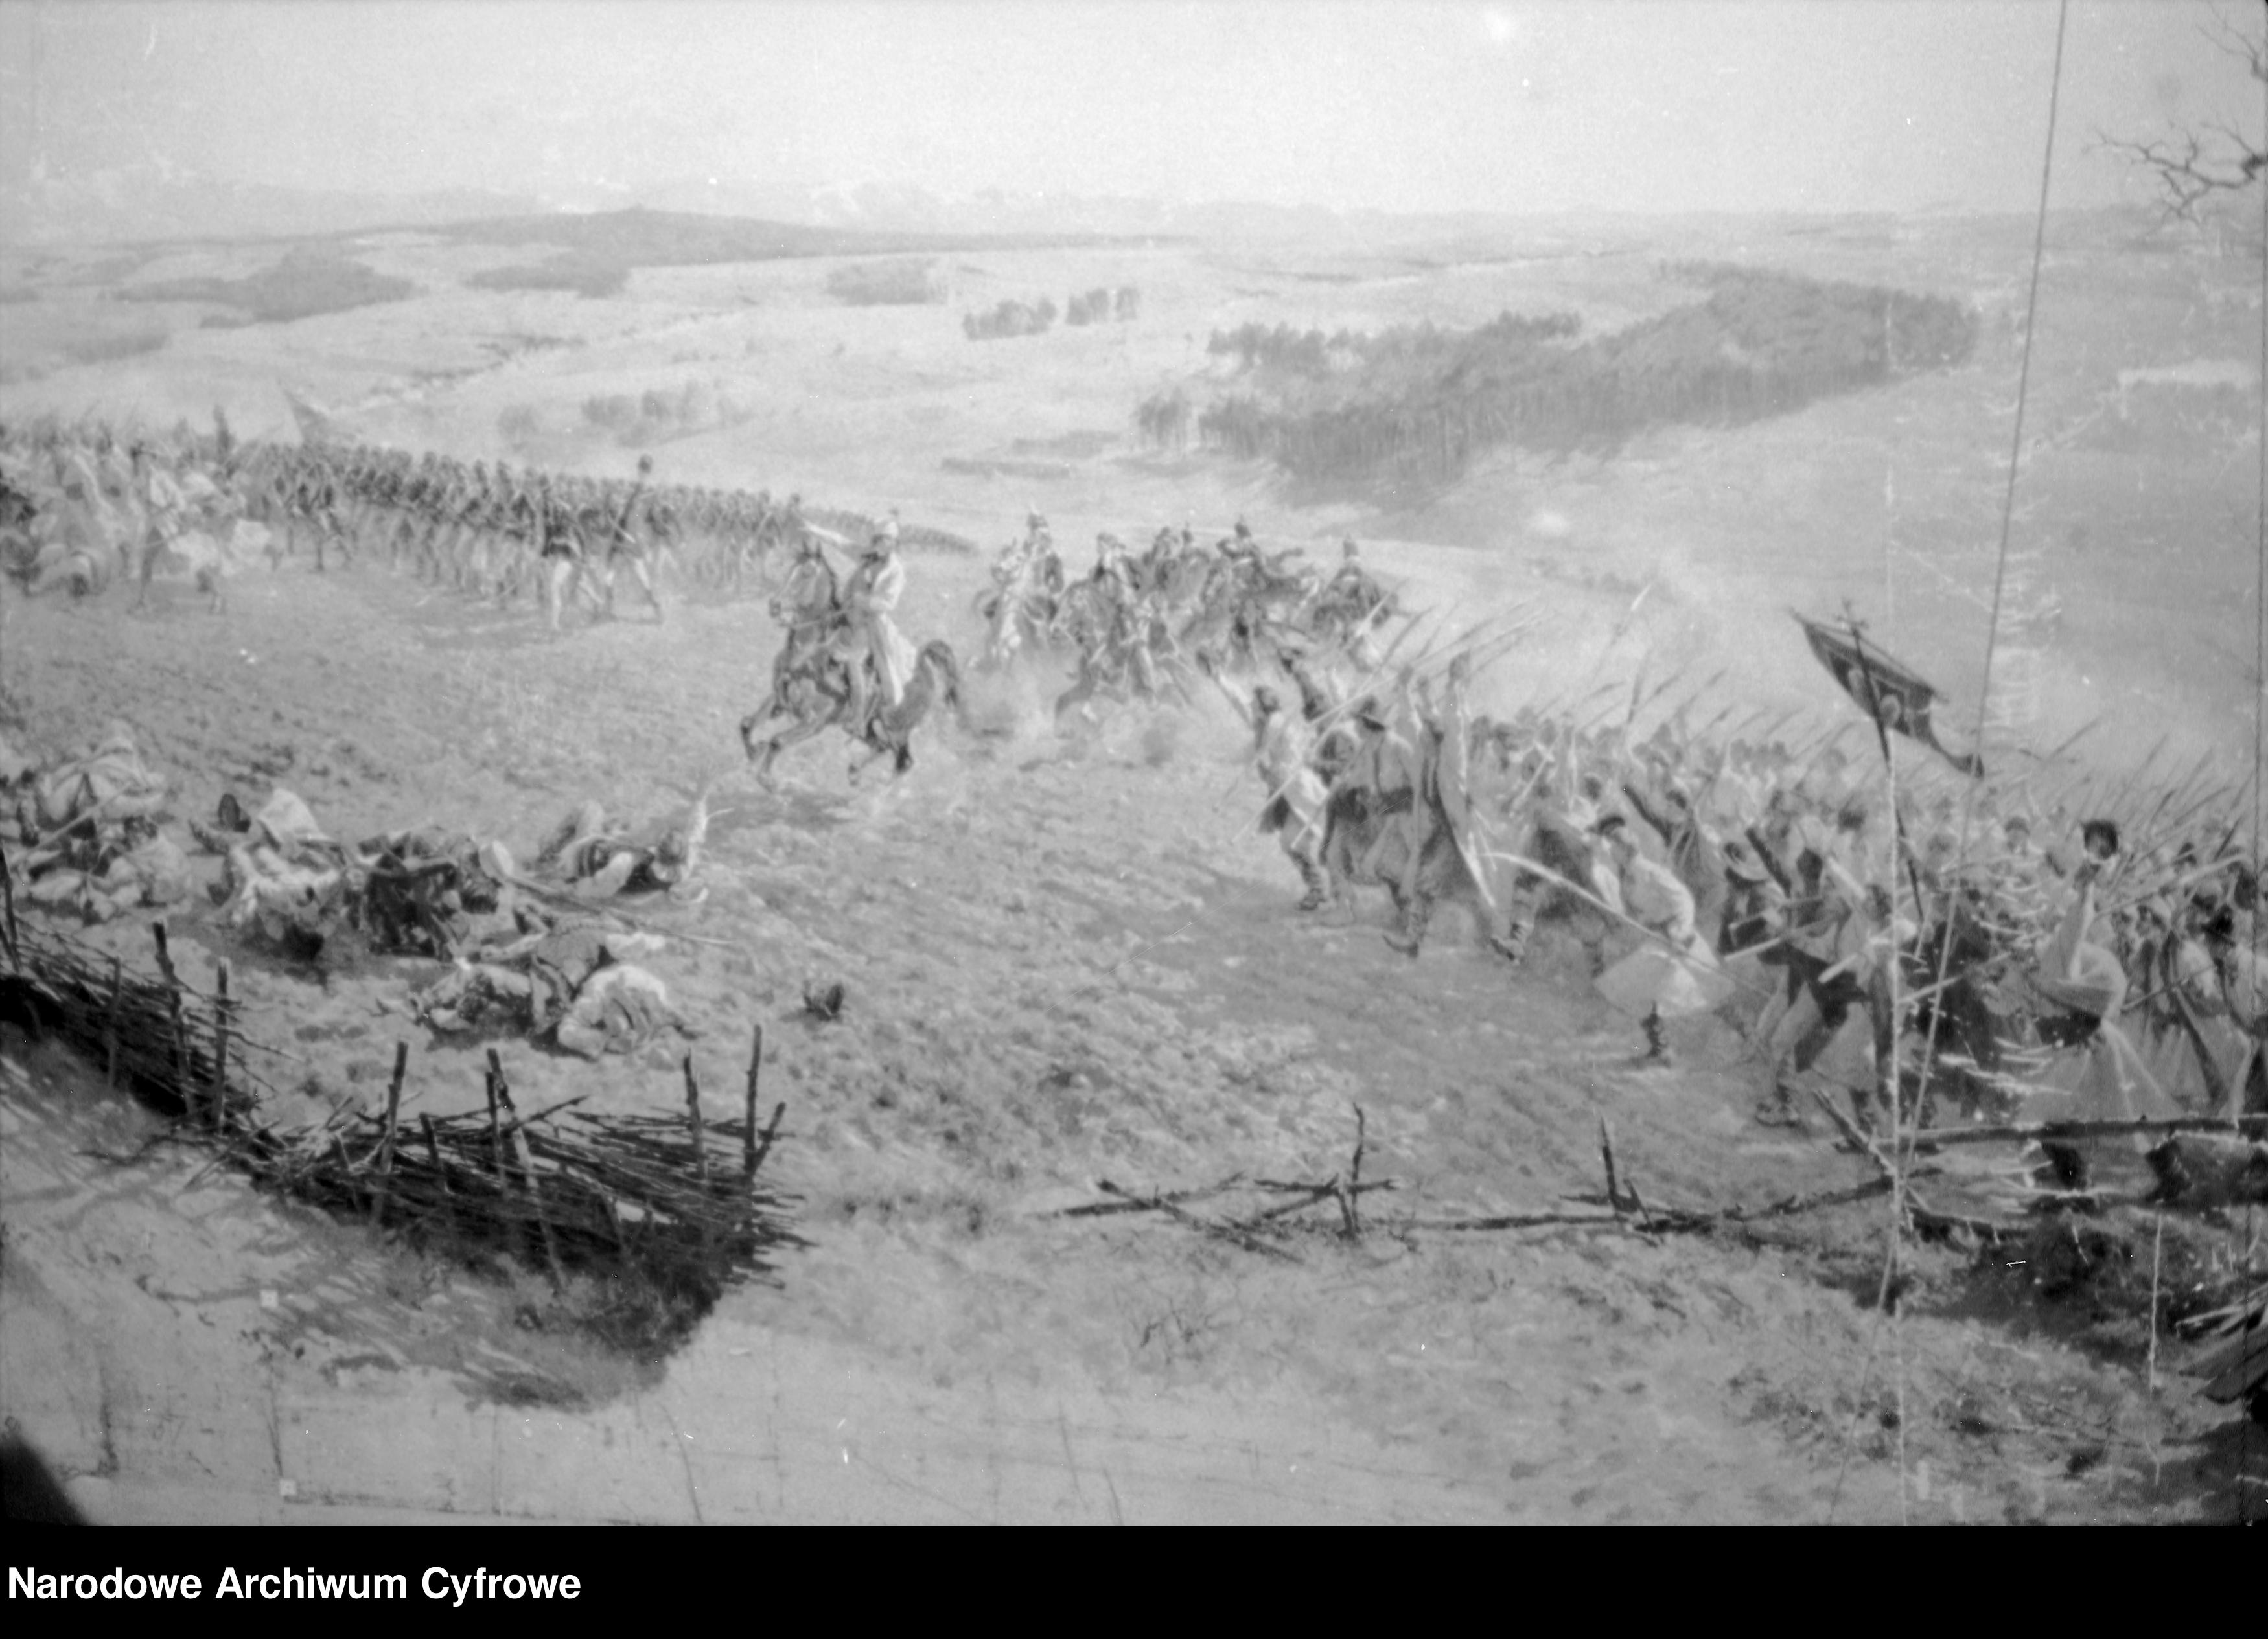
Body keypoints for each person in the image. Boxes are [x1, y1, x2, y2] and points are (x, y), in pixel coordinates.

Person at [1593, 812, 1733, 1066]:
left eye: (1614, 848)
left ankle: (1751, 1037)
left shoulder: (1649, 871)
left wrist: (1681, 933)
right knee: (1637, 990)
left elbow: (1684, 900)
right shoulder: (1627, 876)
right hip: (1658, 941)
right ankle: (1661, 1050)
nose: (1610, 853)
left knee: (1708, 993)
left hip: (1679, 940)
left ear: (1625, 850)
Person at [1248, 684, 1331, 910]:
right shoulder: (1274, 722)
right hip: (1292, 788)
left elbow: (1279, 760)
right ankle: (1317, 888)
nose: (1252, 706)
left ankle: (1319, 889)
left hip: (1297, 788)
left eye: (1255, 703)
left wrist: (1269, 772)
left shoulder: (1275, 724)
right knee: (1292, 842)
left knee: (1292, 841)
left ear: (1263, 705)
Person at [839, 523, 916, 733]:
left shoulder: (896, 570)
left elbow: (888, 603)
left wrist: (863, 601)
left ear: (894, 544)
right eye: (879, 539)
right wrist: (813, 529)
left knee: (854, 661)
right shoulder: (868, 556)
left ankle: (858, 720)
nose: (881, 543)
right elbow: (842, 543)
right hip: (849, 615)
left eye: (886, 540)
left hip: (870, 623)